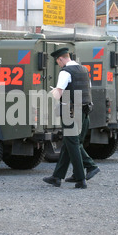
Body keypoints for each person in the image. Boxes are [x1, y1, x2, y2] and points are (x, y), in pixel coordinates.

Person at [42, 48, 100, 189]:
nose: (59, 65)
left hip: (71, 112)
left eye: (58, 62)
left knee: (72, 143)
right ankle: (57, 177)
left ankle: (83, 176)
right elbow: (87, 89)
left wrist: (51, 93)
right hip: (85, 111)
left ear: (60, 59)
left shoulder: (65, 72)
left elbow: (59, 93)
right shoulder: (84, 70)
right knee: (71, 143)